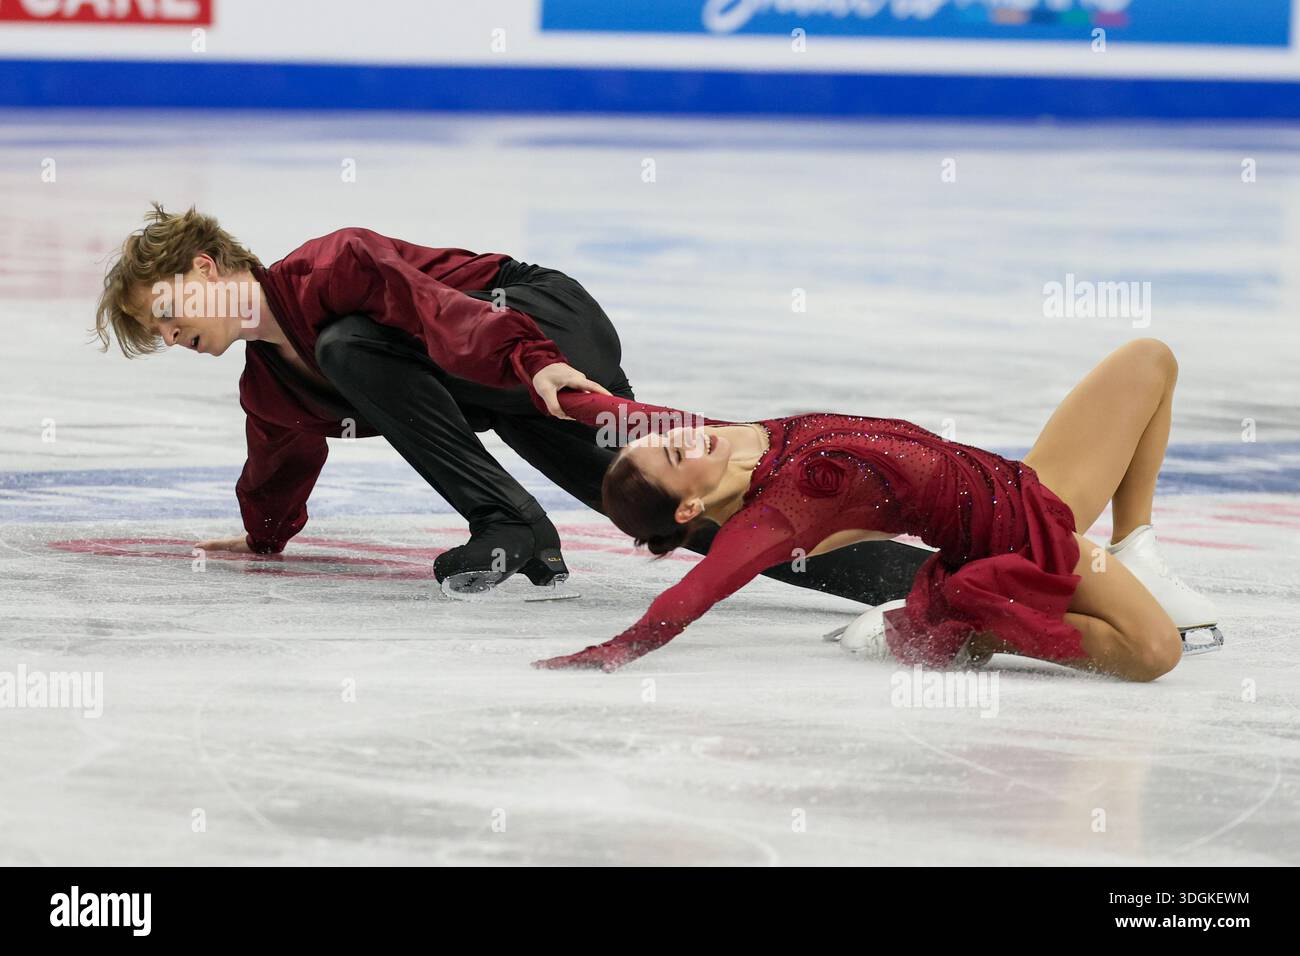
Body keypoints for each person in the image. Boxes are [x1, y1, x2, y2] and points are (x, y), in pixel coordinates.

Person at [92, 204, 929, 603]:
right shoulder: (268, 386)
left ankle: (506, 522)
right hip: (501, 381)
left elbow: (439, 314)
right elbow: (279, 462)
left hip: (530, 320)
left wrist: (537, 362)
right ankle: (917, 579)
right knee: (664, 507)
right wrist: (262, 537)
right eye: (153, 334)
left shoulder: (331, 266)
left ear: (206, 267)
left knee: (350, 344)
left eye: (163, 312)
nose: (168, 335)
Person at [520, 339, 1219, 680]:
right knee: (1155, 653)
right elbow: (695, 590)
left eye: (666, 438)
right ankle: (976, 629)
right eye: (673, 457)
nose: (679, 437)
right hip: (1017, 540)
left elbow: (616, 411)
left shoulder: (722, 440)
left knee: (1149, 360)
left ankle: (1134, 542)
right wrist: (611, 652)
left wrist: (547, 377)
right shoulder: (780, 515)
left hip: (1030, 483)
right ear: (691, 506)